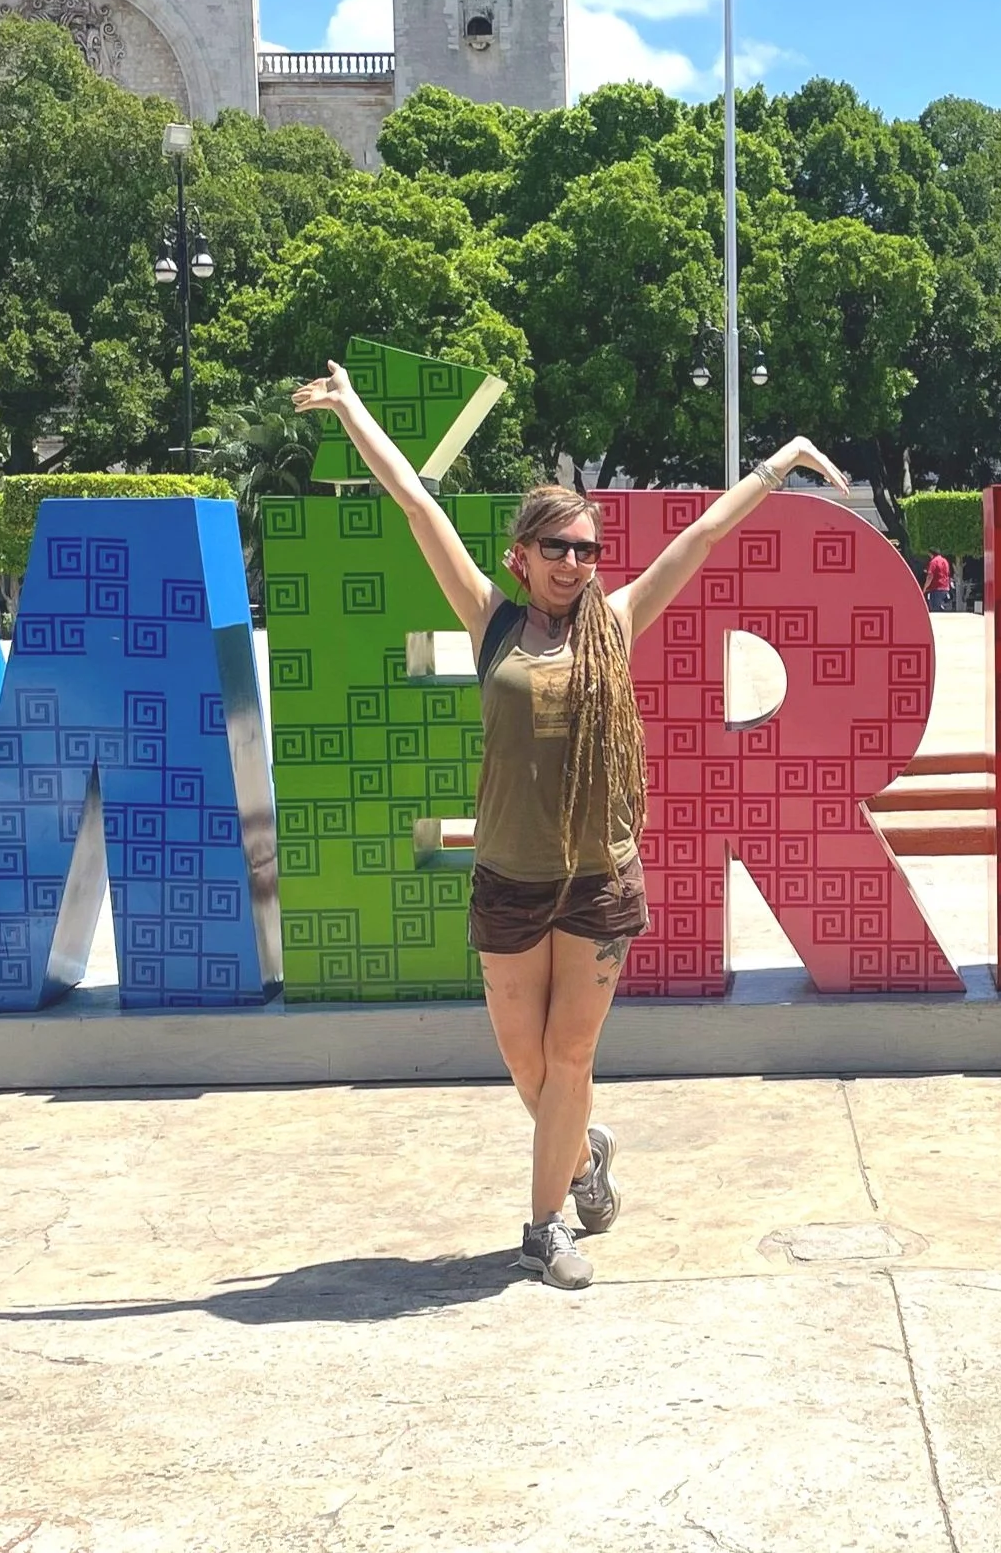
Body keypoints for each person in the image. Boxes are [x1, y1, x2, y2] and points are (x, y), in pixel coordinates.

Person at [293, 359, 851, 1291]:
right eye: (556, 546)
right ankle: (583, 1149)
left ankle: (546, 1225)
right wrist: (353, 408)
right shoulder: (491, 622)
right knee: (527, 1063)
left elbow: (703, 536)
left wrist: (778, 462)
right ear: (522, 554)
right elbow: (415, 502)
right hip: (509, 875)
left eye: (587, 548)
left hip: (597, 875)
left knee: (570, 1053)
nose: (574, 561)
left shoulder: (619, 622)